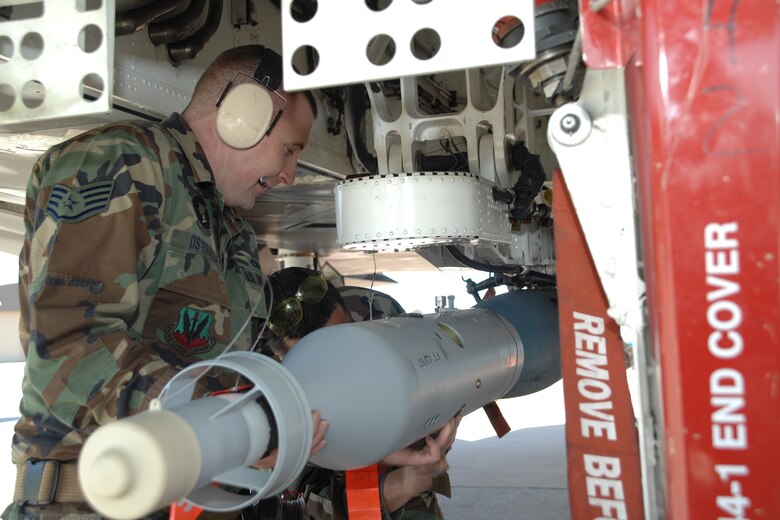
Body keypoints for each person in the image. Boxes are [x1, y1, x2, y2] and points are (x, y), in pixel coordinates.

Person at [4, 45, 328, 520]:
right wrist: (230, 420)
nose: (289, 175)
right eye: (290, 150)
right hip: (92, 503)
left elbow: (243, 364)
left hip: (192, 497)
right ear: (246, 115)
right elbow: (70, 343)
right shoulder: (121, 163)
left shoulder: (230, 228)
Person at [254, 266, 458, 520]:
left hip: (408, 485)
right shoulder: (258, 389)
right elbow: (307, 495)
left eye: (342, 337)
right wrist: (402, 484)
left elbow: (425, 377)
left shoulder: (374, 311)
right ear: (279, 355)